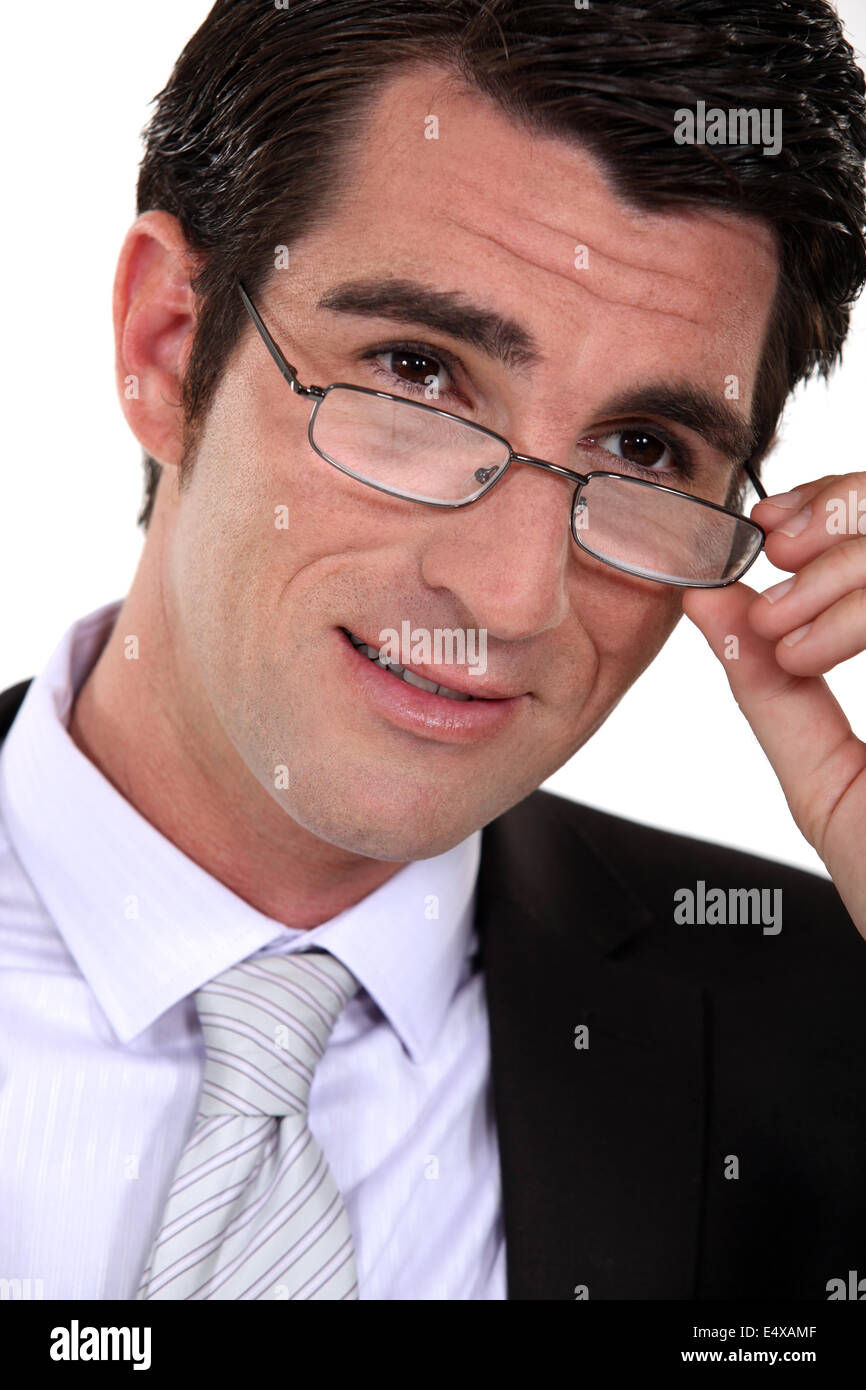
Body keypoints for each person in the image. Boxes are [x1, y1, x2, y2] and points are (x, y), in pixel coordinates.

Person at [2, 0, 866, 1302]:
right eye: (417, 372)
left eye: (643, 452)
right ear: (166, 347)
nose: (514, 596)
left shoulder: (825, 1025)